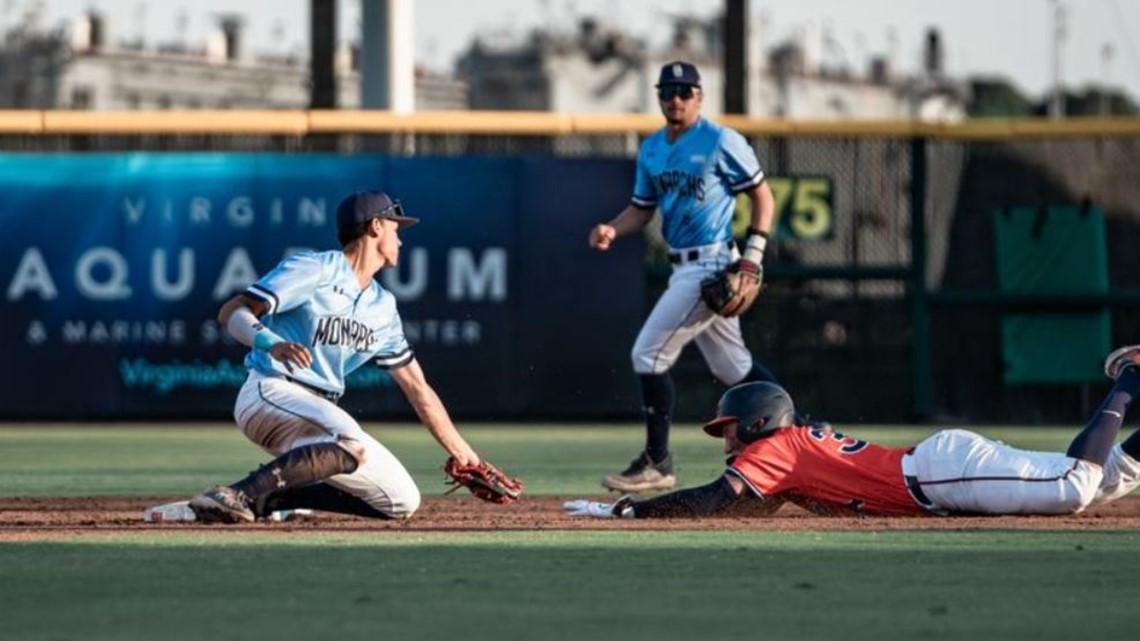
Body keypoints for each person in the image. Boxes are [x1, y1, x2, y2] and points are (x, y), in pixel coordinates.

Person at [184, 190, 490, 523]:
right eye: (395, 229)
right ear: (375, 227)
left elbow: (419, 390)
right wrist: (272, 343)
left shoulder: (383, 307)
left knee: (402, 500)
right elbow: (232, 311)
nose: (400, 240)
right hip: (270, 392)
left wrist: (466, 456)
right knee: (351, 440)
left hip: (320, 418)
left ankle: (262, 501)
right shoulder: (315, 269)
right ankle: (237, 494)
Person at [565, 345, 1140, 519]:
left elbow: (715, 498)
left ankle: (1130, 377)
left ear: (760, 422)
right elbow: (738, 509)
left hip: (939, 476)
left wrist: (628, 513)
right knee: (1114, 476)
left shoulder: (777, 448)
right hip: (942, 470)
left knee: (1076, 485)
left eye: (731, 430)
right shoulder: (789, 454)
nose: (728, 442)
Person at [588, 60, 793, 493]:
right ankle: (801, 434)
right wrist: (612, 227)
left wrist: (753, 256)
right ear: (659, 96)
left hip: (715, 263)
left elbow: (762, 196)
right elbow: (642, 209)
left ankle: (658, 462)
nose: (675, 99)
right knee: (733, 365)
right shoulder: (652, 149)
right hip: (685, 262)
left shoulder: (720, 140)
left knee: (648, 354)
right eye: (667, 91)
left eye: (685, 91)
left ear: (700, 97)